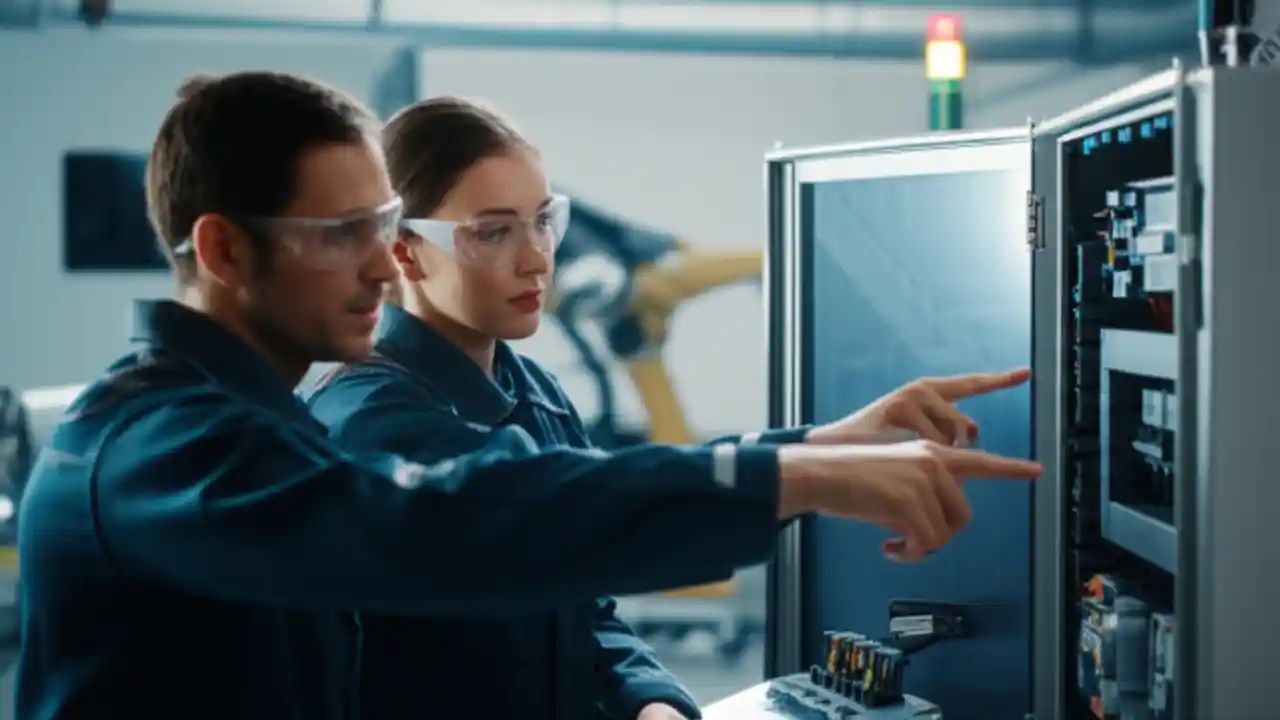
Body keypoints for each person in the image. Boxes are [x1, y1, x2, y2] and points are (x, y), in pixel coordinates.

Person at [16, 72, 1039, 720]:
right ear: (223, 248)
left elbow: (564, 528)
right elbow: (440, 524)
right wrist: (799, 472)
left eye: (382, 225)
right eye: (344, 237)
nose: (383, 264)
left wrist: (819, 448)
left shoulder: (253, 425)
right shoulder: (164, 445)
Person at [304, 95, 1040, 720]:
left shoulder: (531, 391)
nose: (536, 257)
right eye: (494, 231)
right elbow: (578, 517)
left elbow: (584, 604)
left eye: (542, 220)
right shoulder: (372, 424)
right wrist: (815, 469)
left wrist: (647, 701)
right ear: (404, 252)